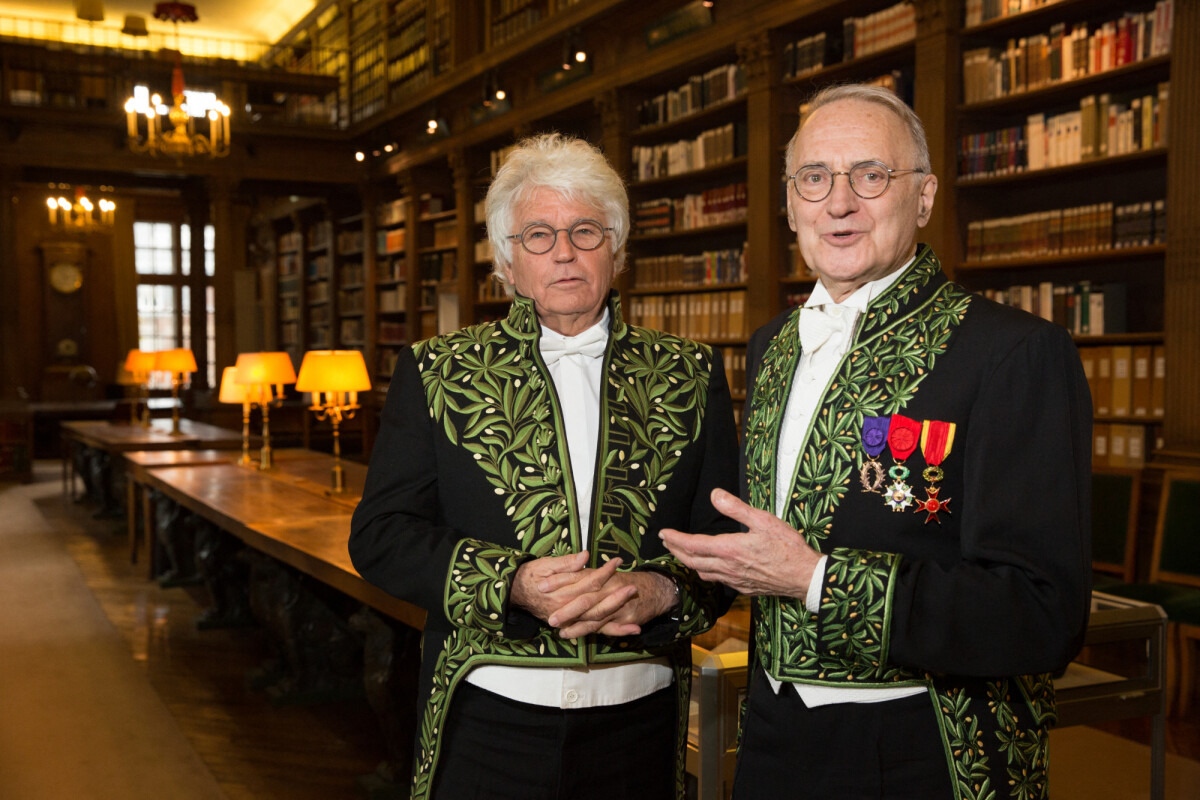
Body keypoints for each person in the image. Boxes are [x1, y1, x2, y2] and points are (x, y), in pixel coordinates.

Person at [661, 84, 1092, 799]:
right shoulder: (771, 346)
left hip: (921, 743)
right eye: (814, 178)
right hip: (768, 734)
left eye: (870, 175)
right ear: (790, 204)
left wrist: (817, 581)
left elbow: (1042, 612)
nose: (839, 203)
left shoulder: (1015, 352)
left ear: (923, 198)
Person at [350, 132, 739, 800]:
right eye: (538, 235)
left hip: (640, 717)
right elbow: (380, 535)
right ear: (507, 261)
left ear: (616, 249)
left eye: (586, 231)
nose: (564, 252)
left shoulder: (691, 372)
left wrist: (663, 590)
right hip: (487, 710)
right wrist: (512, 582)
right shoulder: (436, 370)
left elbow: (725, 539)